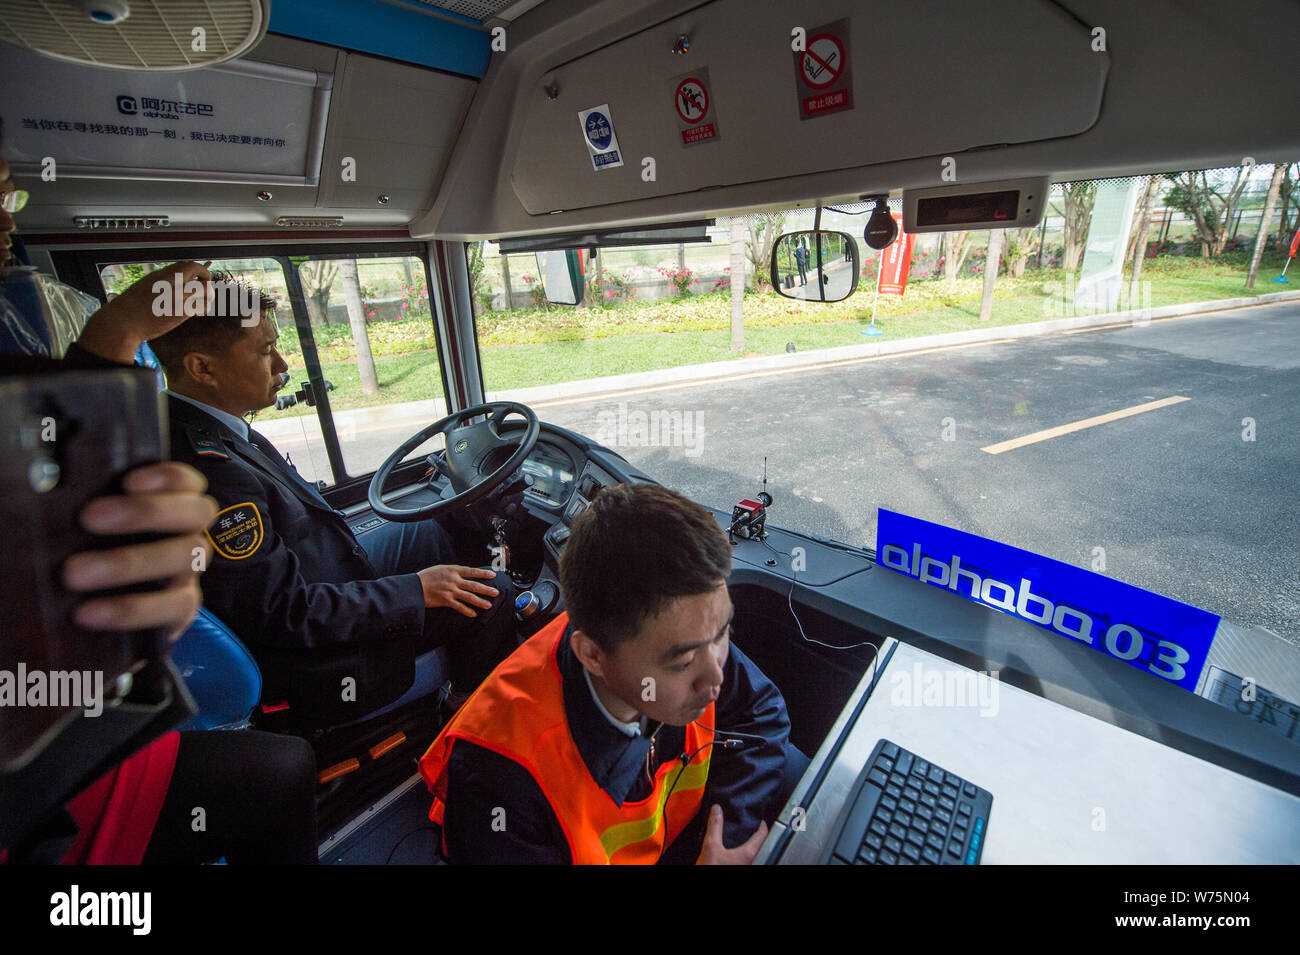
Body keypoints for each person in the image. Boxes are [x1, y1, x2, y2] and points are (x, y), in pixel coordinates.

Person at [1, 141, 318, 863]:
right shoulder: (214, 462)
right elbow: (289, 609)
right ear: (201, 370)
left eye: (12, 196)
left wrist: (116, 335)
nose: (7, 224)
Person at [147, 277, 518, 723]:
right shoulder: (212, 471)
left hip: (326, 574)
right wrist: (418, 589)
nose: (283, 364)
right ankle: (463, 709)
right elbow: (286, 613)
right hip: (323, 656)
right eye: (266, 351)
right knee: (494, 592)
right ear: (202, 368)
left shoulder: (211, 427)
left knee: (425, 525)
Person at [419, 482, 809, 864]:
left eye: (723, 632)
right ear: (593, 655)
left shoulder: (682, 629)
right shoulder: (499, 782)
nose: (716, 679)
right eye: (682, 662)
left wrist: (727, 836)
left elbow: (762, 710)